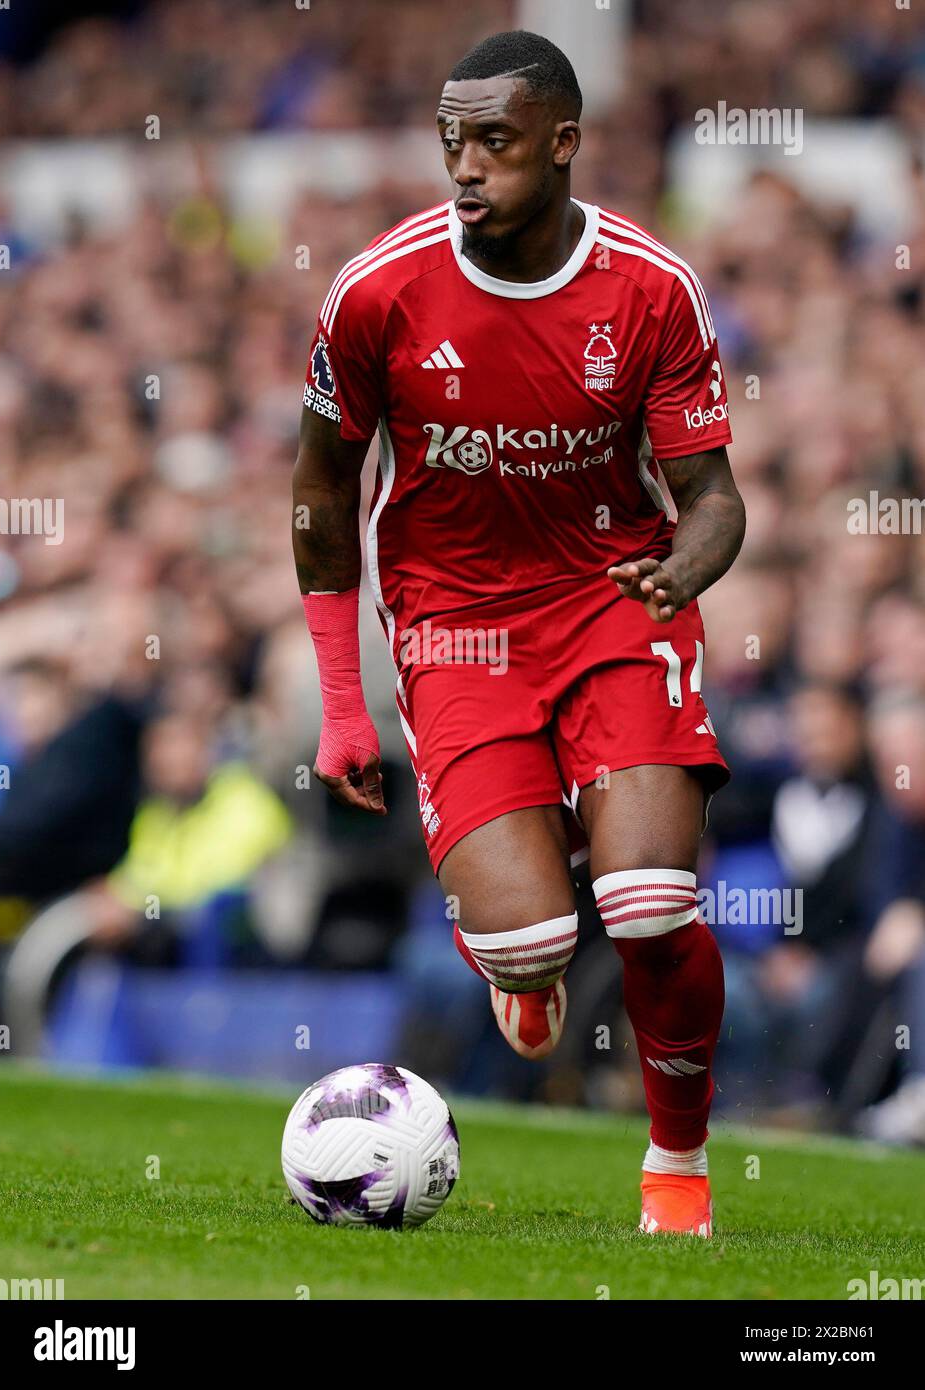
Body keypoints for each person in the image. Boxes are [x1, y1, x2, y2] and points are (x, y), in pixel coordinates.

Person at [292, 30, 745, 1236]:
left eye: (492, 140)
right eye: (451, 140)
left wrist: (678, 573)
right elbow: (318, 497)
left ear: (561, 142)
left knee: (648, 903)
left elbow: (711, 498)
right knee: (537, 937)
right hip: (453, 619)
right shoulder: (375, 292)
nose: (465, 167)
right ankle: (522, 960)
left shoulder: (649, 287)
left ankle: (677, 1167)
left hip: (609, 596)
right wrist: (342, 705)